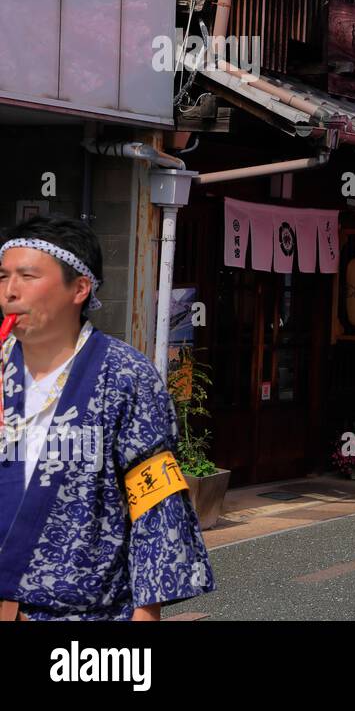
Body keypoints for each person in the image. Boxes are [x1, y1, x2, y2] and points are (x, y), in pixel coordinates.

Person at [0, 216, 215, 620]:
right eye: (3, 276)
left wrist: (146, 615)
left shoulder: (124, 376)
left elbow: (155, 501)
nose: (10, 292)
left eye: (28, 276)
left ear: (79, 287)